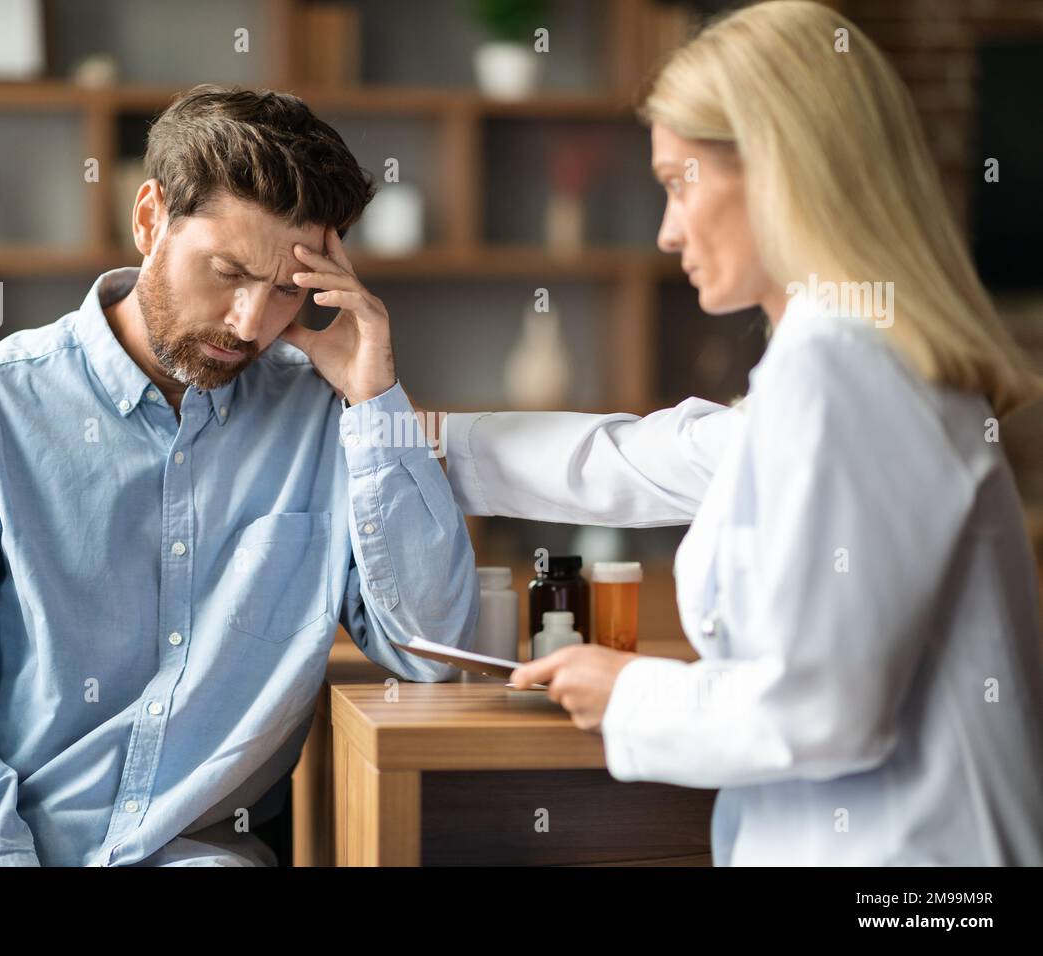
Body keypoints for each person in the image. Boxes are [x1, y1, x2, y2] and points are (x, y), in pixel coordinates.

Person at [438, 1, 1043, 865]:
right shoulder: (843, 361)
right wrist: (409, 437)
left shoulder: (846, 370)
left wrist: (630, 692)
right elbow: (639, 462)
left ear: (780, 167)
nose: (667, 229)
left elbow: (825, 711)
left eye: (682, 180)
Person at [0, 85, 479, 867]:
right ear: (149, 219)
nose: (251, 323)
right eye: (229, 271)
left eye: (286, 290)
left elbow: (434, 652)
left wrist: (376, 399)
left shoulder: (325, 421)